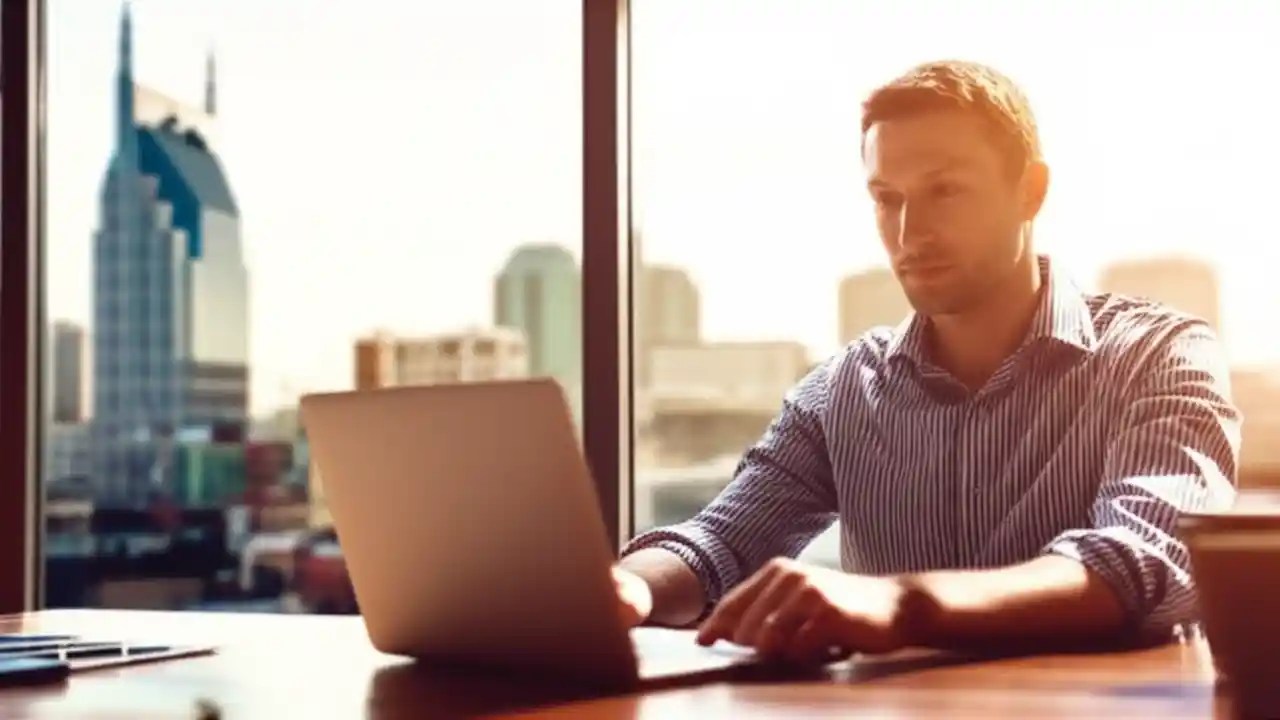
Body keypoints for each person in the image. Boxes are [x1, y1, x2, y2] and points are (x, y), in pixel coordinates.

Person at [612, 59, 1241, 665]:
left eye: (945, 192)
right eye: (887, 199)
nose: (910, 233)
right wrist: (628, 591)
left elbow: (1148, 559)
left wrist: (902, 604)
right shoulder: (841, 391)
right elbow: (720, 541)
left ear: (1030, 191)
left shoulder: (1158, 353)